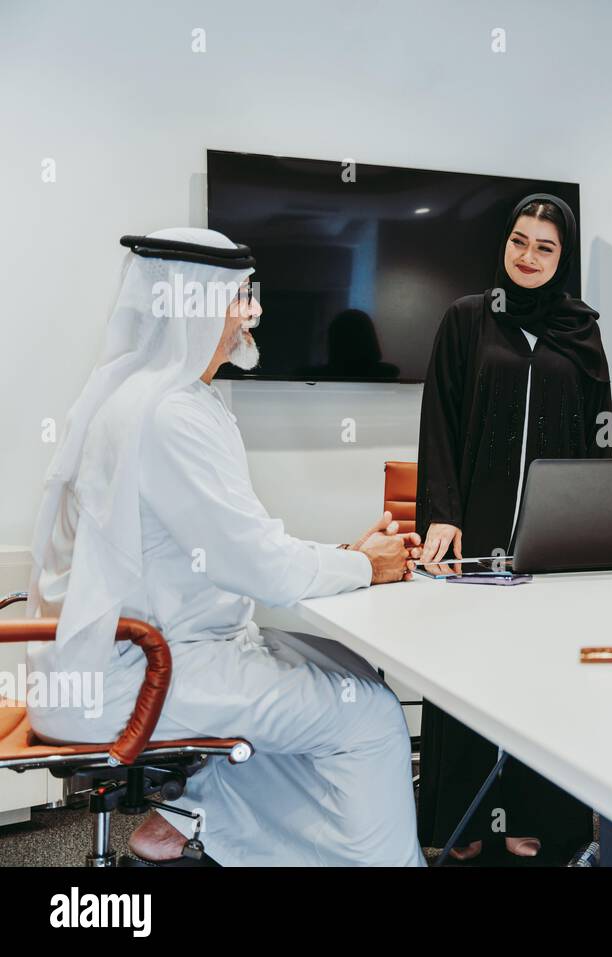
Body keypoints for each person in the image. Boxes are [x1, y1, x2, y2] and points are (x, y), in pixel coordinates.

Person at [26, 228, 426, 866]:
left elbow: (237, 545)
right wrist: (361, 564)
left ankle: (183, 820)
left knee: (337, 664)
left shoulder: (169, 400)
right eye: (242, 297)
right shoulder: (169, 414)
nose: (256, 312)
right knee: (369, 713)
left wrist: (346, 557)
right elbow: (255, 565)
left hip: (152, 649)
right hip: (138, 673)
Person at [415, 193, 612, 863]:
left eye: (545, 247)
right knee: (466, 668)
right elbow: (438, 420)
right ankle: (462, 818)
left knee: (543, 673)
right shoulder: (467, 319)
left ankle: (535, 815)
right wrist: (441, 511)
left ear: (564, 258)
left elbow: (599, 432)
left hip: (554, 534)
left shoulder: (581, 329)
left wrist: (601, 525)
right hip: (479, 523)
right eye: (519, 241)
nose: (528, 256)